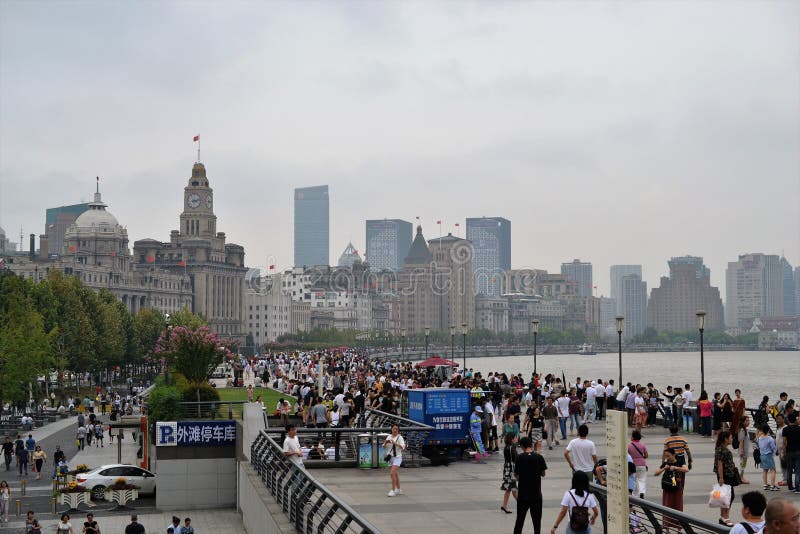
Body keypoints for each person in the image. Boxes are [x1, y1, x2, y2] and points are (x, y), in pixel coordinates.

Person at [514, 436, 547, 534]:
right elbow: (543, 474)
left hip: (523, 495)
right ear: (531, 445)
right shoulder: (539, 457)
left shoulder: (519, 458)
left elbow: (516, 476)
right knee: (537, 522)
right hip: (536, 495)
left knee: (520, 520)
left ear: (522, 446)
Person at [653, 447, 688, 532]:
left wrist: (676, 468)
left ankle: (679, 528)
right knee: (667, 506)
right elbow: (655, 473)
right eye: (666, 456)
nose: (667, 458)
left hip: (677, 489)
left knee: (678, 507)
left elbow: (686, 469)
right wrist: (664, 468)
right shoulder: (666, 463)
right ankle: (667, 527)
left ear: (673, 454)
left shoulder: (680, 461)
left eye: (668, 456)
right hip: (667, 489)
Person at [714, 430, 740, 527]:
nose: (732, 439)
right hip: (725, 476)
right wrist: (721, 478)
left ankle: (722, 516)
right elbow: (720, 465)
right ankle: (726, 517)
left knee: (725, 496)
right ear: (725, 439)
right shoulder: (721, 449)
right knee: (729, 496)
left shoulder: (722, 448)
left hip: (727, 475)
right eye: (730, 437)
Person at [383, 425, 405, 497]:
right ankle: (398, 489)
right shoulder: (389, 436)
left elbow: (402, 447)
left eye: (396, 429)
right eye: (393, 429)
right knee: (395, 474)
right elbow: (383, 446)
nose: (395, 430)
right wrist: (386, 443)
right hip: (391, 458)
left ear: (398, 430)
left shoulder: (400, 437)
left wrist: (395, 443)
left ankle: (393, 490)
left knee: (392, 473)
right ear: (391, 429)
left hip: (397, 457)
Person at [757, 424, 779, 491]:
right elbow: (773, 448)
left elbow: (759, 446)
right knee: (773, 470)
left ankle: (765, 485)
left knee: (765, 470)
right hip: (769, 456)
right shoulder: (770, 439)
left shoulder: (760, 438)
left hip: (762, 456)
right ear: (768, 430)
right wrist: (776, 452)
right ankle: (772, 485)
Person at [627, 430, 649, 499]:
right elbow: (646, 455)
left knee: (634, 479)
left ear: (633, 437)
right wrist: (641, 457)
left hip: (633, 465)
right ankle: (642, 492)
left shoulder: (629, 446)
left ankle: (635, 495)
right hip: (642, 464)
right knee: (642, 479)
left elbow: (627, 455)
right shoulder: (643, 445)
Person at [782, 412, 800, 493]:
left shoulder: (785, 429)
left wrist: (784, 452)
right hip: (798, 451)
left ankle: (790, 486)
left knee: (789, 469)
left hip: (789, 452)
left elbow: (784, 442)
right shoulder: (799, 428)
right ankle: (797, 487)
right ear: (795, 419)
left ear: (788, 420)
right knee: (797, 469)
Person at [500, 433, 518, 514]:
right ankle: (522, 505)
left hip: (507, 469)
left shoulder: (506, 447)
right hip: (511, 470)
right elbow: (515, 459)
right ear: (512, 439)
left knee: (512, 488)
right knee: (511, 488)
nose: (516, 439)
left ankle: (504, 506)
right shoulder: (512, 448)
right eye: (515, 438)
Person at [738, 416, 752, 484]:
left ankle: (741, 477)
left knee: (743, 464)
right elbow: (741, 441)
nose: (748, 422)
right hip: (743, 451)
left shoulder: (745, 429)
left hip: (745, 450)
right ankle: (741, 477)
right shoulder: (742, 430)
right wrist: (741, 451)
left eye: (748, 420)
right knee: (742, 464)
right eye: (746, 421)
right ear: (743, 422)